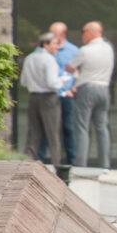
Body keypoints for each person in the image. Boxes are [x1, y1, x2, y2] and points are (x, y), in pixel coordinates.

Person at [66, 21, 115, 168]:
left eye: (83, 32)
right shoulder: (109, 48)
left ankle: (80, 164)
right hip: (104, 89)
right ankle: (105, 164)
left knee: (82, 127)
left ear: (91, 32)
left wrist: (76, 74)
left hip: (87, 89)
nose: (82, 35)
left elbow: (69, 67)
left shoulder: (85, 50)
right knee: (102, 127)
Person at [20, 31, 67, 169]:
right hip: (49, 99)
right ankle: (58, 167)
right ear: (45, 44)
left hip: (33, 97)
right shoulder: (49, 60)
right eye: (55, 44)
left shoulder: (29, 58)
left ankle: (26, 165)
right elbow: (52, 82)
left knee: (33, 134)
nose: (57, 47)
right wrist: (62, 81)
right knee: (53, 134)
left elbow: (23, 81)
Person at [38, 21, 78, 167]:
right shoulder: (44, 53)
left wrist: (75, 86)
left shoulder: (73, 50)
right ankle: (40, 161)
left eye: (55, 34)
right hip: (49, 94)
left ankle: (71, 162)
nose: (51, 37)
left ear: (63, 35)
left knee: (68, 128)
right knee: (45, 129)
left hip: (66, 95)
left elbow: (80, 71)